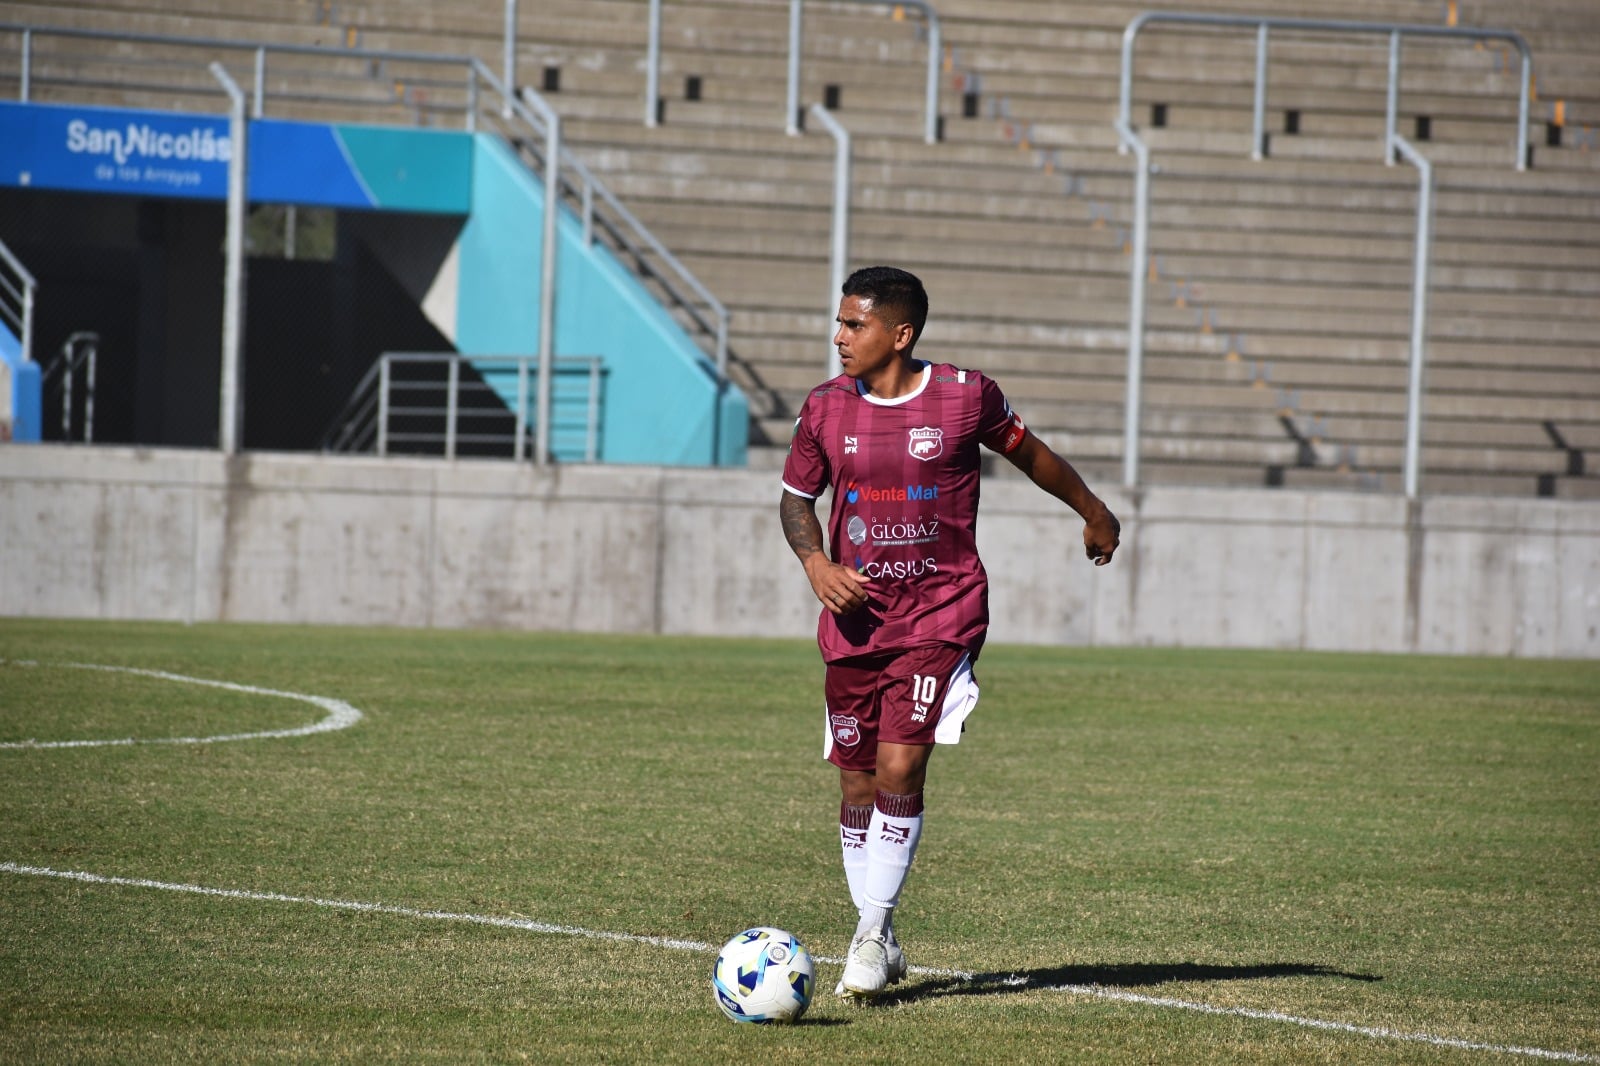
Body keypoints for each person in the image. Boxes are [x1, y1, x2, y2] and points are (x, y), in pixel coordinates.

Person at [778, 265, 1121, 998]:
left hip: (941, 611)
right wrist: (816, 565)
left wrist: (1092, 510)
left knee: (902, 767)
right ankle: (881, 929)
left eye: (854, 324)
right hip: (854, 617)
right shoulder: (824, 408)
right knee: (857, 774)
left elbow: (1029, 454)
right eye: (839, 323)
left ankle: (869, 935)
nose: (839, 337)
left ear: (899, 334)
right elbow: (796, 500)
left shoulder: (967, 396)